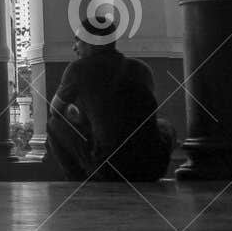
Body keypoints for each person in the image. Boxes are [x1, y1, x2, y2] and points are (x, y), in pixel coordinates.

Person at [46, 14, 176, 182]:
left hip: (110, 170)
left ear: (93, 42)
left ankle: (77, 182)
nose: (74, 47)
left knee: (54, 124)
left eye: (78, 41)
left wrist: (76, 114)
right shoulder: (141, 68)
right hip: (152, 168)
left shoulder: (78, 69)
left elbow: (55, 110)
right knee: (165, 125)